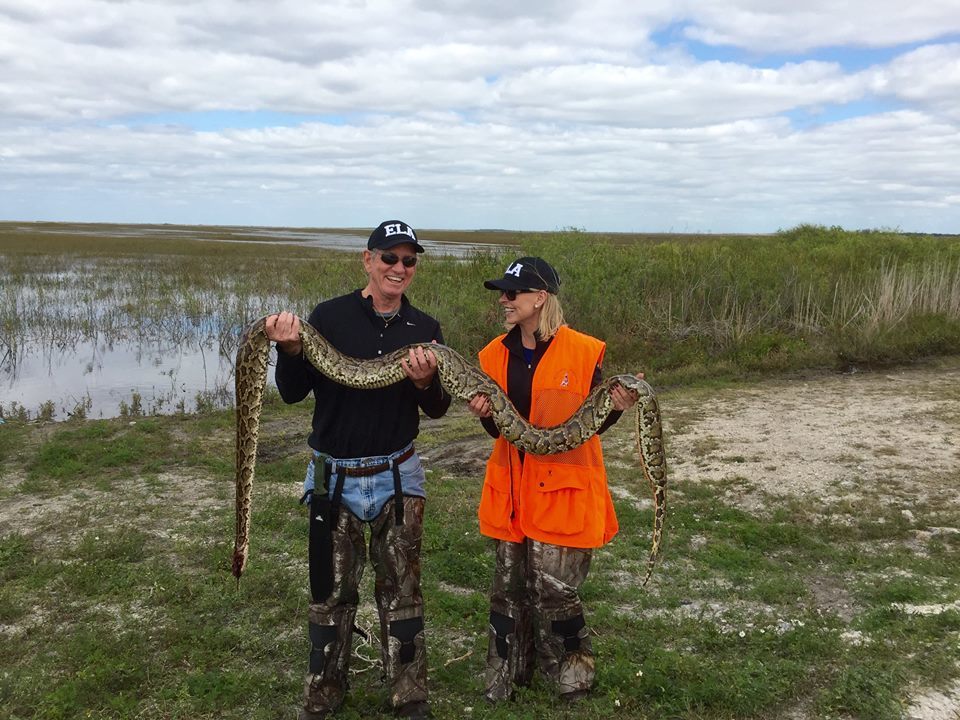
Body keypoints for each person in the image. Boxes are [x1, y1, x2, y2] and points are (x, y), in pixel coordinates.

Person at [265, 220, 451, 720]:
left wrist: (424, 383)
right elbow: (292, 392)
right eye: (389, 258)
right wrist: (289, 349)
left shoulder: (425, 330)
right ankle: (322, 695)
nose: (399, 268)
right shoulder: (329, 315)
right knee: (330, 593)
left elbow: (436, 408)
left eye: (409, 260)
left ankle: (409, 695)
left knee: (403, 592)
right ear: (367, 260)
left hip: (398, 474)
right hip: (335, 477)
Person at [466, 256, 640, 704]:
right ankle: (506, 677)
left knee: (557, 593)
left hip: (563, 493)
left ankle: (572, 680)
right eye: (501, 293)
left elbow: (590, 426)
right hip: (512, 493)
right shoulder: (492, 354)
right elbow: (500, 432)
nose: (503, 300)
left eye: (512, 293)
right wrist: (486, 418)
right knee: (508, 590)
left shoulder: (583, 351)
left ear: (539, 297)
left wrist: (616, 407)